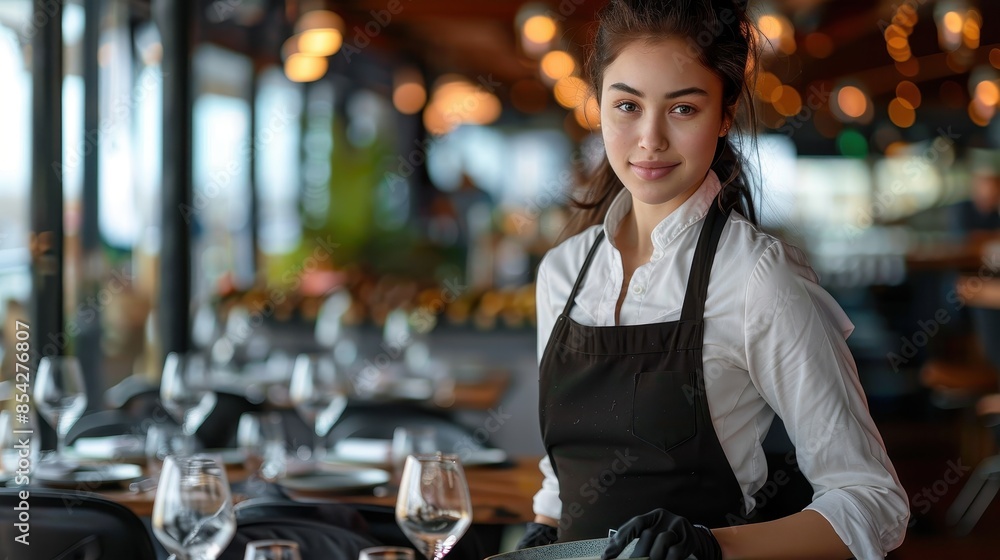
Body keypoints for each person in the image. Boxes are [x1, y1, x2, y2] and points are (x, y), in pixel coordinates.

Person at [518, 1, 909, 559]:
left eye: (683, 109)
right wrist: (544, 532)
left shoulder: (757, 278)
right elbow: (563, 477)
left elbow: (873, 500)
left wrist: (710, 546)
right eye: (627, 104)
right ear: (598, 106)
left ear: (724, 116)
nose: (649, 139)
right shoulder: (562, 272)